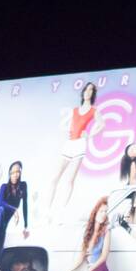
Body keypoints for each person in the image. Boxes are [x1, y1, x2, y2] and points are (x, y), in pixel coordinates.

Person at [48, 83, 103, 219]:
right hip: (69, 144)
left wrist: (89, 135)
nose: (88, 92)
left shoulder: (93, 110)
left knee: (70, 180)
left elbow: (101, 124)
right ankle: (47, 210)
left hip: (79, 145)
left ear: (93, 93)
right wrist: (69, 130)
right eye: (86, 89)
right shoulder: (74, 110)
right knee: (55, 178)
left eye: (91, 90)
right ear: (83, 92)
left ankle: (61, 211)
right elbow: (68, 125)